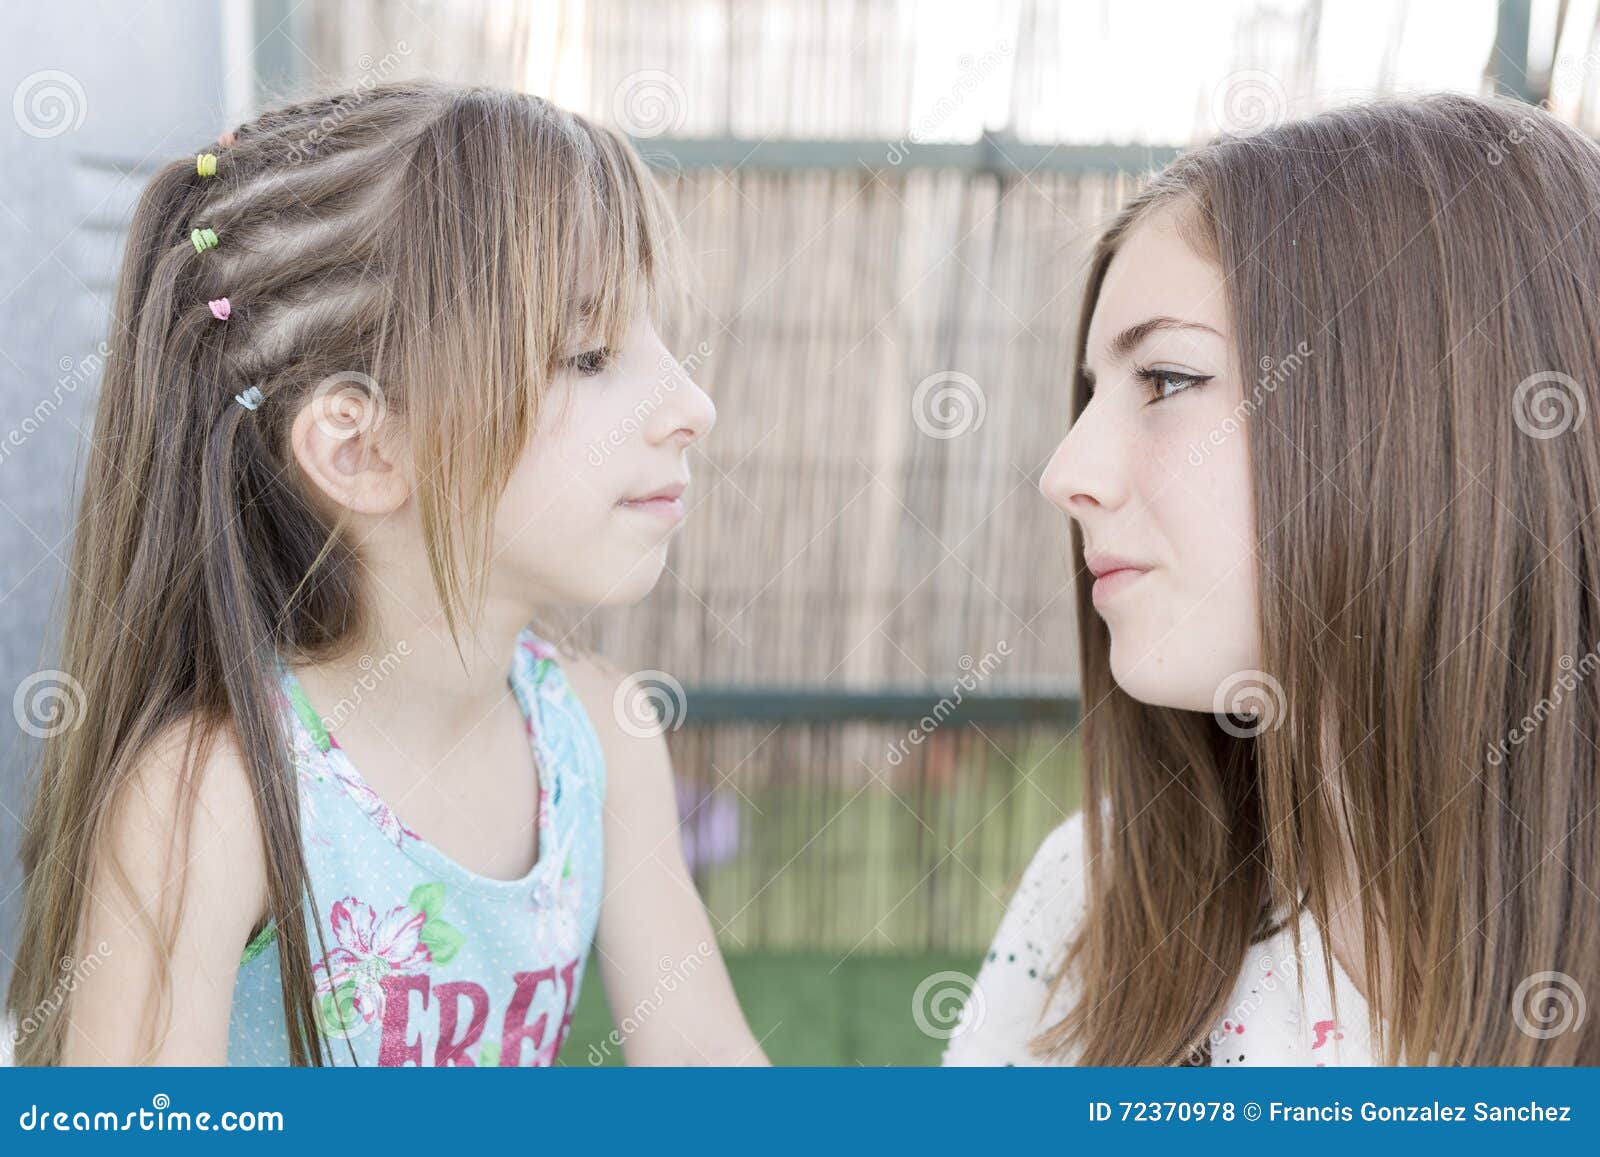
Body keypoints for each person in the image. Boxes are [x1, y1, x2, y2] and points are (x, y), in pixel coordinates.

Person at [5, 81, 765, 1067]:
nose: (691, 401)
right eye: (588, 356)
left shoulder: (603, 737)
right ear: (361, 448)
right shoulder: (212, 796)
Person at [946, 93, 1600, 1067]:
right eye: (1090, 395)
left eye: (1165, 380)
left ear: (1419, 415)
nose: (1064, 473)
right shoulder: (1090, 900)